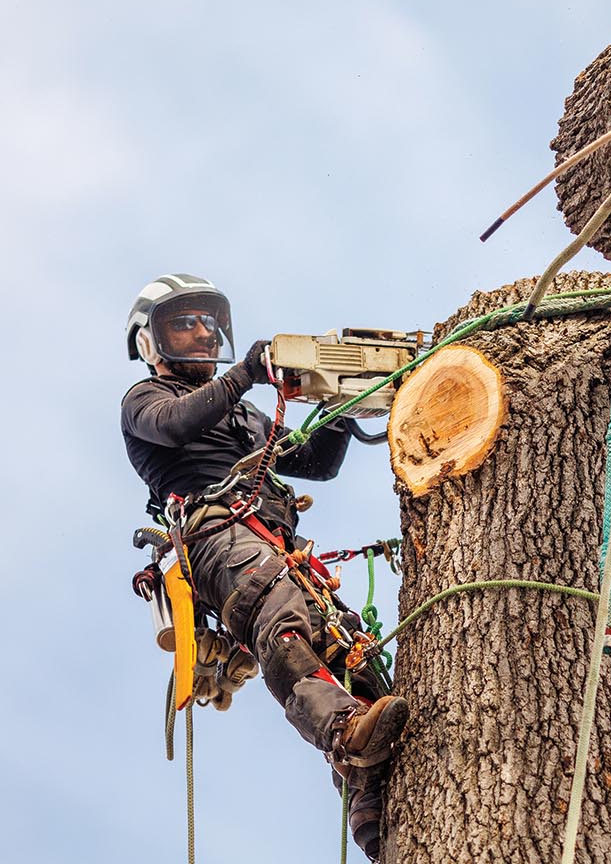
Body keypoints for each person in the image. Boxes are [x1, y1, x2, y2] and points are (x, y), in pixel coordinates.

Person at [121, 272, 407, 861]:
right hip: (221, 539)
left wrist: (338, 399)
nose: (201, 333)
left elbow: (314, 463)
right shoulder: (147, 402)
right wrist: (248, 373)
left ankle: (370, 803)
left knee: (349, 655)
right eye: (184, 323)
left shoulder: (245, 418)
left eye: (208, 323)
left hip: (278, 547)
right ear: (151, 343)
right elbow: (175, 427)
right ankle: (341, 734)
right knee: (282, 622)